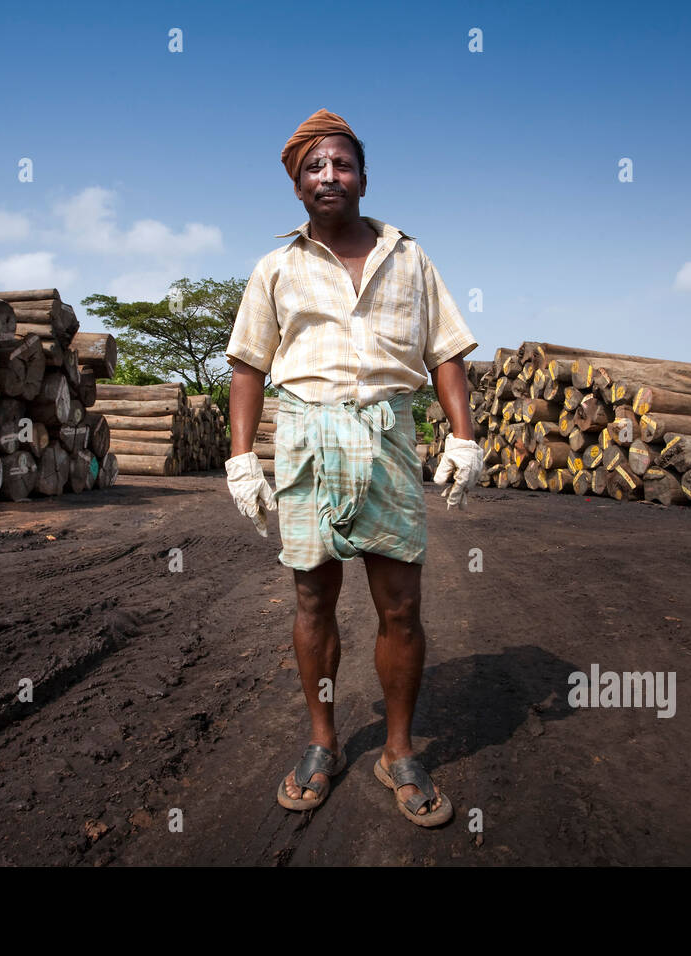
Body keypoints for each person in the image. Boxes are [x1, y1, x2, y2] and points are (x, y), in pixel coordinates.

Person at [224, 108, 484, 827]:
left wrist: (464, 437)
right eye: (314, 167)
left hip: (389, 434)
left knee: (401, 604)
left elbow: (446, 354)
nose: (328, 175)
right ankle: (323, 741)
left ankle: (398, 749)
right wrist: (241, 458)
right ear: (296, 185)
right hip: (306, 435)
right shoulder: (276, 268)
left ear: (363, 176)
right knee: (314, 600)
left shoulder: (410, 257)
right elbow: (248, 364)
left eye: (340, 163)